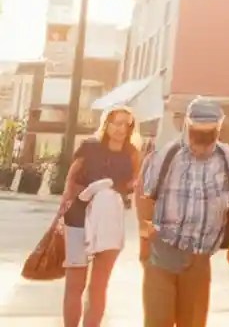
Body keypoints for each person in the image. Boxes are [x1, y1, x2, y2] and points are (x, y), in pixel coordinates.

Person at [138, 97, 229, 327]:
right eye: (198, 133)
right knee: (158, 321)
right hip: (164, 251)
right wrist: (145, 240)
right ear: (188, 125)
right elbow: (147, 197)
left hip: (201, 257)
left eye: (209, 134)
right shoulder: (167, 155)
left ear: (219, 128)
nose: (203, 140)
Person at [58, 106, 141, 327]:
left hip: (109, 220)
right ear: (107, 123)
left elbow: (136, 182)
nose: (121, 128)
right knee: (75, 284)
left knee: (99, 286)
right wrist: (65, 207)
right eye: (117, 123)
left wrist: (120, 188)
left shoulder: (132, 153)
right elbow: (71, 179)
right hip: (78, 218)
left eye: (126, 124)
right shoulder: (89, 147)